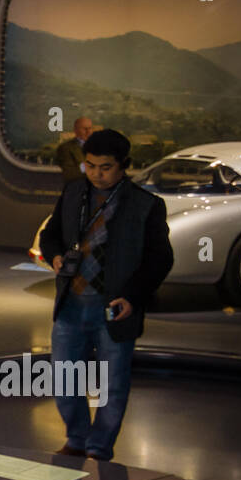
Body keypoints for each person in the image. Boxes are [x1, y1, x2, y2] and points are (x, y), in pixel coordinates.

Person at [38, 128, 173, 461]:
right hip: (71, 304)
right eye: (90, 165)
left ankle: (99, 448)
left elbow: (160, 259)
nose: (96, 174)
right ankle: (77, 439)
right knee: (63, 379)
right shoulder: (72, 193)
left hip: (115, 307)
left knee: (112, 385)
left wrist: (133, 295)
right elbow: (51, 235)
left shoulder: (146, 205)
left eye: (106, 167)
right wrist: (54, 254)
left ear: (123, 165)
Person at [54, 116, 94, 183]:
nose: (88, 131)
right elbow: (69, 173)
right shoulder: (65, 148)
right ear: (75, 130)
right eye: (84, 129)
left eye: (90, 128)